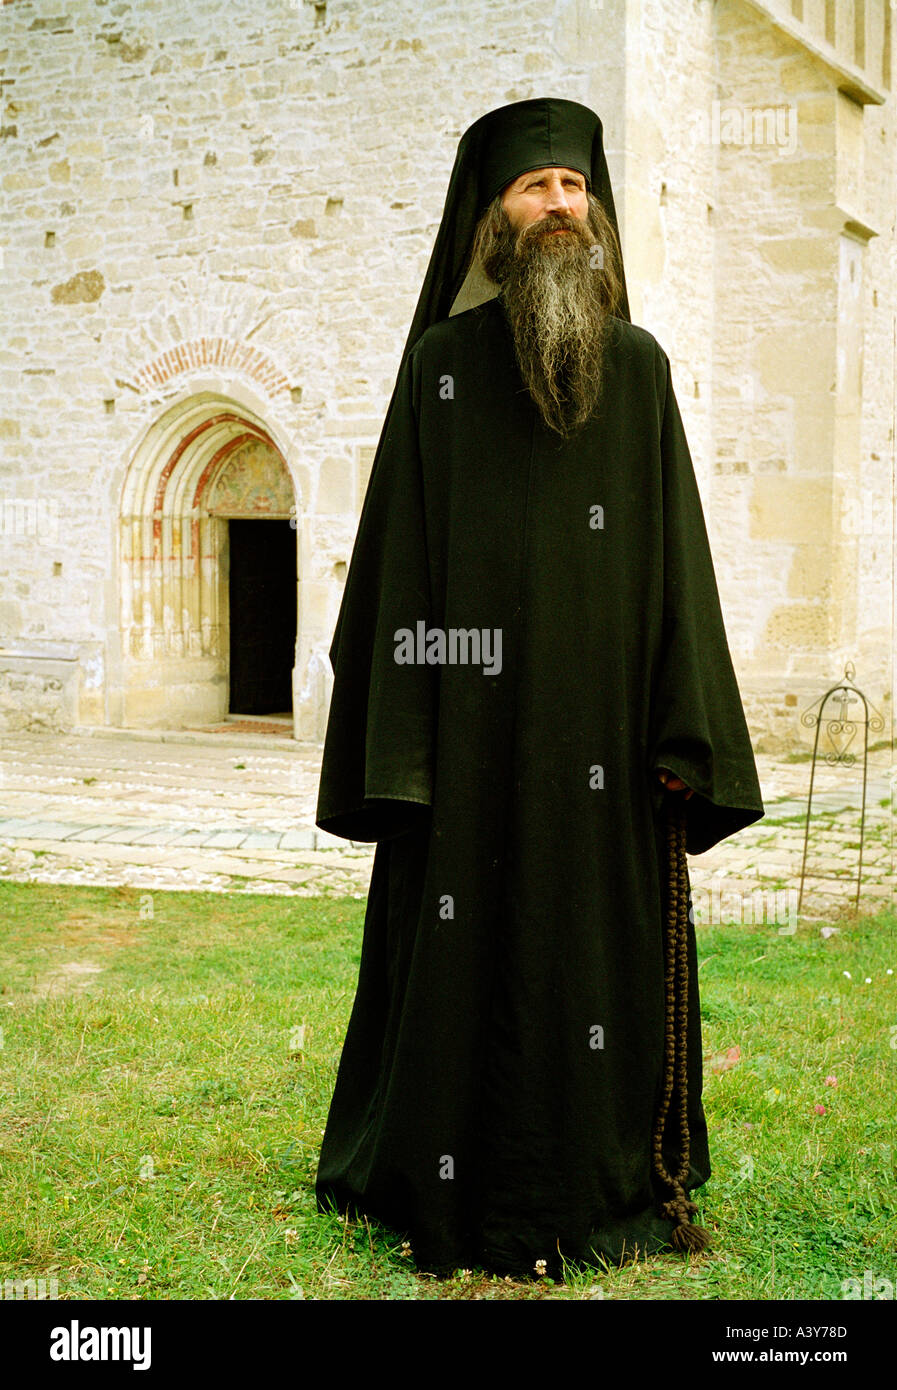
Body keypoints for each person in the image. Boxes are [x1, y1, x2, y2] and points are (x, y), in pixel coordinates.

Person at [313, 97, 764, 1280]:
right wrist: (420, 741)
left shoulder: (640, 368)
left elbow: (680, 570)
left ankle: (608, 1184)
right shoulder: (441, 372)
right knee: (459, 960)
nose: (560, 207)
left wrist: (685, 733)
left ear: (596, 212)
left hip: (608, 748)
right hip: (469, 748)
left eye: (575, 186)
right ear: (491, 220)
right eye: (534, 188)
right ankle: (431, 1179)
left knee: (592, 959)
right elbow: (399, 571)